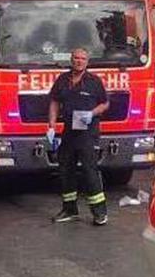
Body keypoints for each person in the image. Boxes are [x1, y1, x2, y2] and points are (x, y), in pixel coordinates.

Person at [46, 47, 111, 226]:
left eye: (82, 58)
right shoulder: (63, 80)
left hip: (87, 133)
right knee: (66, 170)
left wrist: (92, 113)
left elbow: (105, 104)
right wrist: (51, 126)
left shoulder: (94, 81)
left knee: (90, 171)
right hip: (69, 132)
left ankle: (100, 213)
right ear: (71, 59)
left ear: (87, 62)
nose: (79, 61)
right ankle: (69, 210)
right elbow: (54, 101)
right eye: (76, 58)